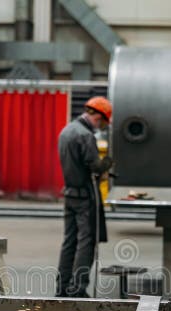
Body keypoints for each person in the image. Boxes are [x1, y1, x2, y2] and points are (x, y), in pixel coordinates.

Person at [56, 96, 114, 297]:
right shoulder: (85, 135)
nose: (102, 126)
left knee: (69, 241)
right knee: (86, 243)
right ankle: (78, 289)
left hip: (69, 194)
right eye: (104, 122)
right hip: (84, 198)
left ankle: (62, 287)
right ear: (98, 116)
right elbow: (95, 166)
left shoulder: (66, 131)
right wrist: (107, 162)